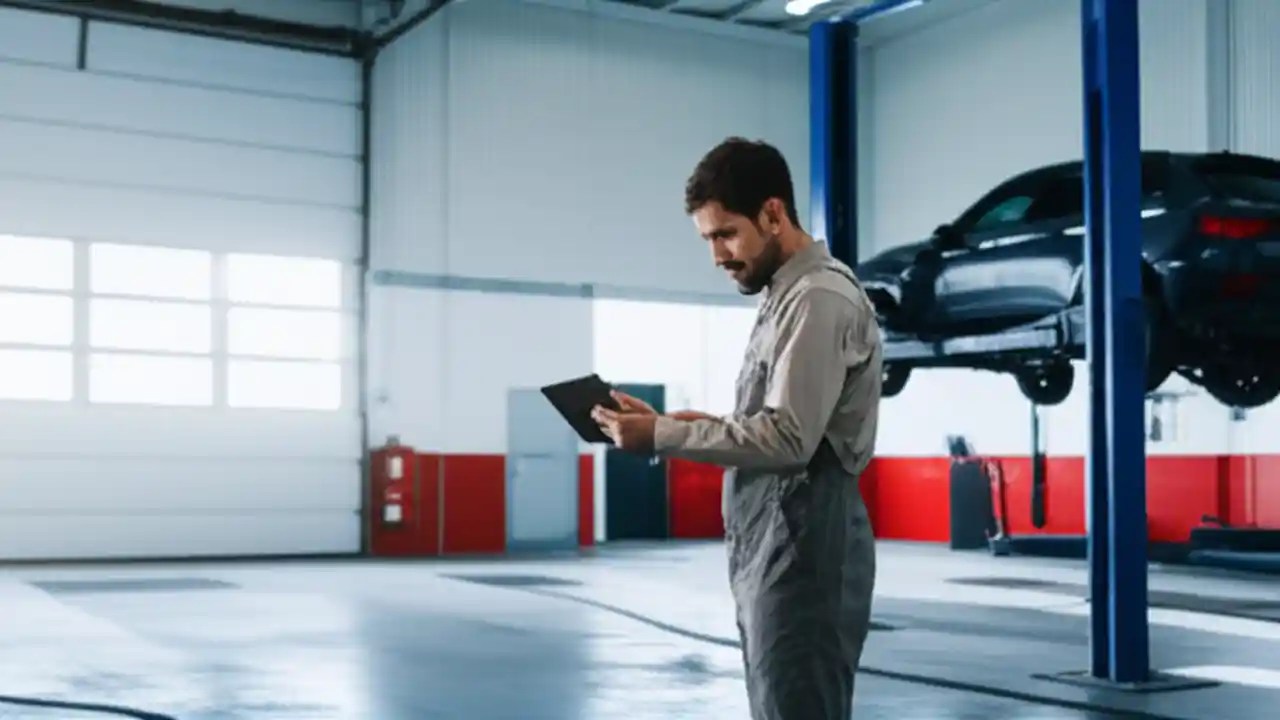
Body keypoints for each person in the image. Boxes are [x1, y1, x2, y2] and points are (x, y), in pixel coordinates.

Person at [591, 137, 883, 720]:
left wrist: (661, 439)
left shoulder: (818, 298)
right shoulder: (786, 295)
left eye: (725, 235)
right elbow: (774, 421)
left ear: (773, 214)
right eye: (707, 240)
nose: (717, 256)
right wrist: (679, 424)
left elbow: (789, 439)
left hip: (805, 539)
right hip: (776, 536)